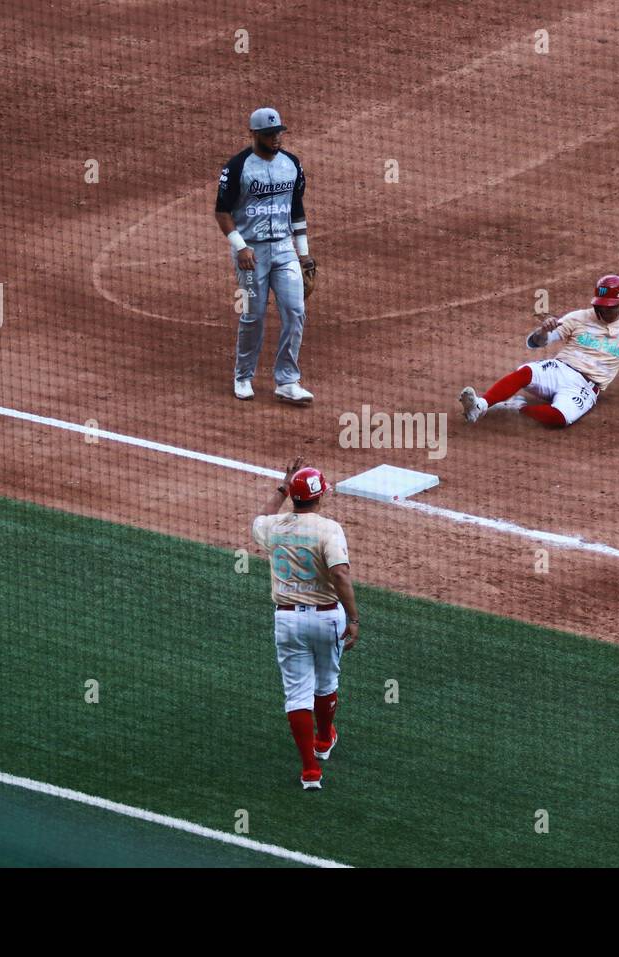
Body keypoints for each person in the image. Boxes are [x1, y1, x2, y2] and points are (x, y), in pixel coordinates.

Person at [250, 457, 360, 790]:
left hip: (287, 620)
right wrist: (353, 618)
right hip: (327, 615)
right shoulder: (328, 529)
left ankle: (310, 771)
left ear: (295, 497)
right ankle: (324, 739)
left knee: (296, 693)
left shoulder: (274, 527)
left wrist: (283, 485)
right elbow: (340, 573)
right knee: (326, 679)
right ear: (320, 496)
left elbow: (262, 517)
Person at [458, 274, 619, 427]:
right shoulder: (579, 317)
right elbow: (535, 344)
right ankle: (481, 405)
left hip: (586, 387)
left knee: (558, 419)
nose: (603, 311)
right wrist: (542, 331)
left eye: (609, 307)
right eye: (600, 306)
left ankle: (515, 407)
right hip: (560, 368)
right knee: (526, 372)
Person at [214, 108, 316, 405]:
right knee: (253, 316)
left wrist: (304, 253)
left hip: (285, 249)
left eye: (278, 133)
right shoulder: (237, 167)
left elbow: (296, 209)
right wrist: (240, 247)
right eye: (270, 134)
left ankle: (288, 381)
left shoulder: (292, 164)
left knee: (295, 312)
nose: (276, 138)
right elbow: (221, 212)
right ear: (254, 134)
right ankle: (243, 376)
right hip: (252, 251)